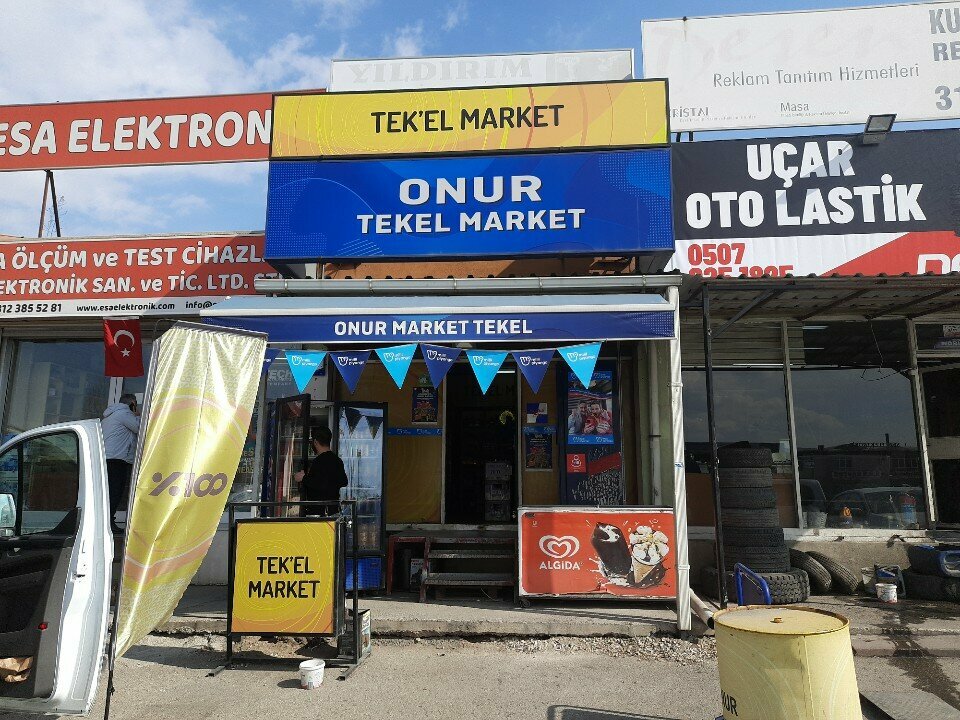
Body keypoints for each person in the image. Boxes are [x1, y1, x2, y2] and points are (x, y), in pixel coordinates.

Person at [101, 393, 140, 534]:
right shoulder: (124, 413)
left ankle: (107, 522)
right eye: (135, 404)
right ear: (131, 403)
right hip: (117, 459)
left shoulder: (111, 415)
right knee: (115, 492)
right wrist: (140, 415)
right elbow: (139, 427)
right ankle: (109, 524)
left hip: (109, 458)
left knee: (111, 492)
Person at [296, 426, 348, 517]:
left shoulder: (318, 462)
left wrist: (303, 478)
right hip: (334, 510)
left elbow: (320, 484)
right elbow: (344, 481)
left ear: (315, 442)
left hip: (319, 513)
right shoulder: (337, 460)